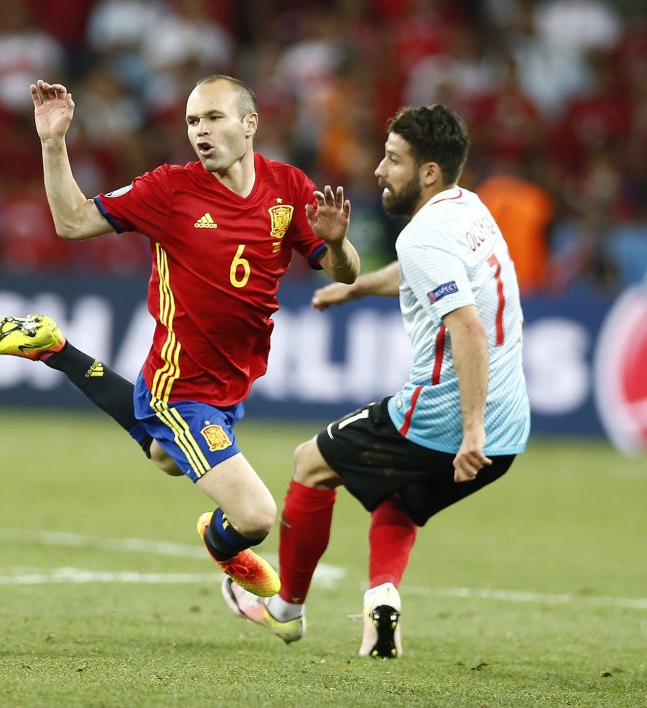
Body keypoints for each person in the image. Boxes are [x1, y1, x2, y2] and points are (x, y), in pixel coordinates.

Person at [0, 75, 360, 598]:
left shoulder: (289, 188)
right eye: (192, 122)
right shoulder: (170, 189)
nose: (200, 131)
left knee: (166, 458)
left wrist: (337, 244)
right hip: (178, 386)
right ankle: (223, 545)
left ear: (249, 125)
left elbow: (345, 272)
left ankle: (56, 349)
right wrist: (53, 142)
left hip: (231, 377)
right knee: (255, 513)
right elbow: (72, 222)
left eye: (213, 118)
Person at [221, 104, 530, 657]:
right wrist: (356, 287)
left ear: (428, 172)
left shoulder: (422, 238)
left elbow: (467, 328)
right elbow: (428, 275)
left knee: (309, 465)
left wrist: (471, 432)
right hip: (511, 432)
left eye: (392, 160)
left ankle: (285, 610)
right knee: (400, 502)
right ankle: (381, 600)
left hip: (448, 420)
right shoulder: (470, 210)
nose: (378, 172)